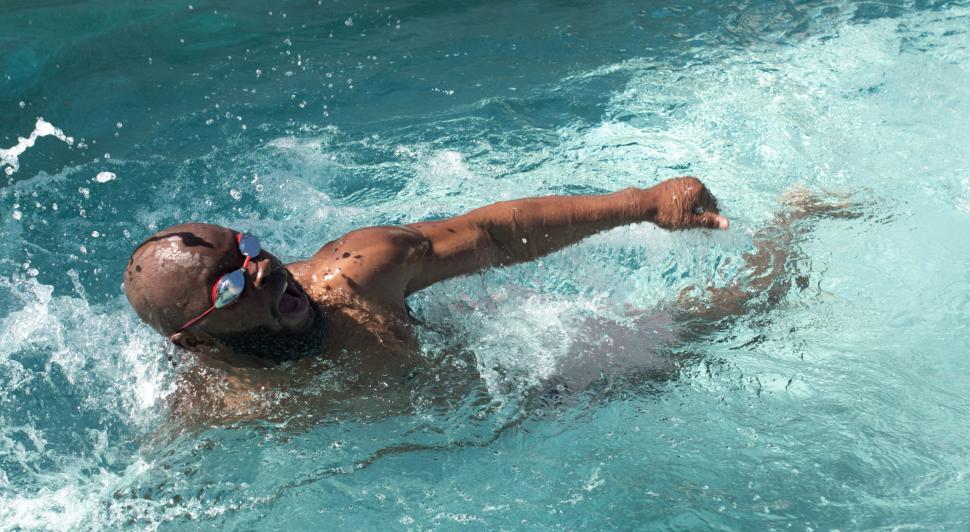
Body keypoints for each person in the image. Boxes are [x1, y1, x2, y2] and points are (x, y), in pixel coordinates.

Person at [124, 176, 733, 422]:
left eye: (249, 248)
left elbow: (490, 233)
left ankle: (798, 223)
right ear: (195, 338)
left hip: (528, 389)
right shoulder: (211, 406)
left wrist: (644, 203)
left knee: (709, 330)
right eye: (227, 287)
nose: (263, 273)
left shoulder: (356, 276)